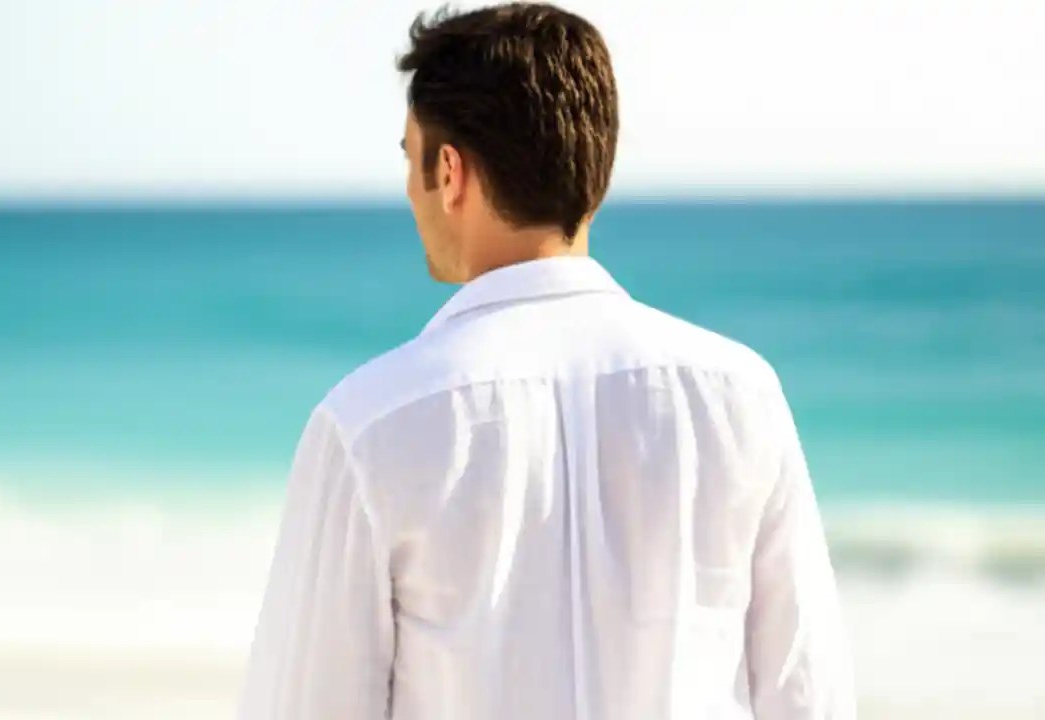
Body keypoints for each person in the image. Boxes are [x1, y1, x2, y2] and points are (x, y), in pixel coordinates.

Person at [236, 3, 854, 718]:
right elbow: (808, 696)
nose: (410, 191)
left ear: (449, 171)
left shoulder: (369, 424)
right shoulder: (740, 395)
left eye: (410, 159)